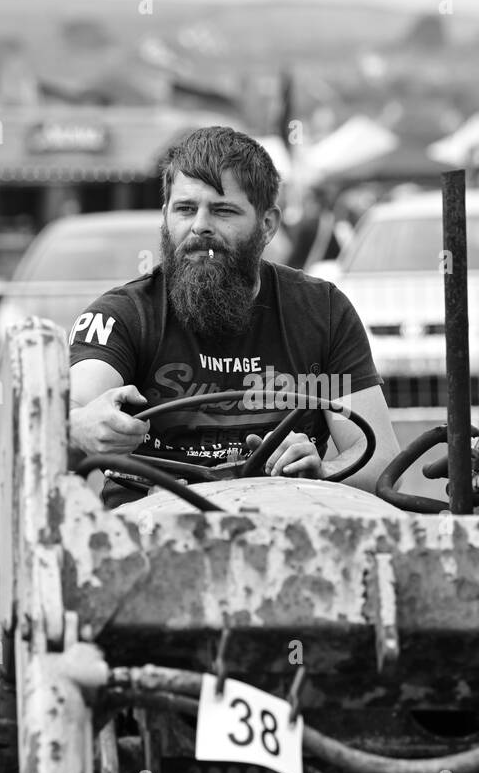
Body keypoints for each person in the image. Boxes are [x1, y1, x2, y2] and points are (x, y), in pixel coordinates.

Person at [67, 126, 400, 507]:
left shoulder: (323, 312)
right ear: (165, 216)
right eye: (185, 209)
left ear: (268, 224)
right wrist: (80, 427)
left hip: (290, 533)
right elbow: (72, 413)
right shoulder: (123, 317)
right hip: (145, 540)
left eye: (223, 210)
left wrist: (324, 477)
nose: (200, 226)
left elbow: (379, 458)